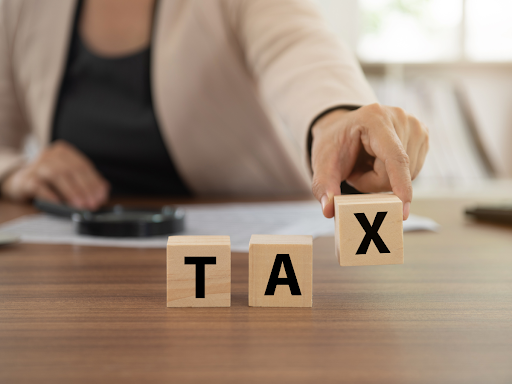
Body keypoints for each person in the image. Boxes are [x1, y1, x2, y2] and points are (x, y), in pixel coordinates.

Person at [0, 0, 428, 220]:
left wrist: (338, 120)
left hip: (239, 270)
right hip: (76, 270)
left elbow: (299, 48)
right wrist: (17, 171)